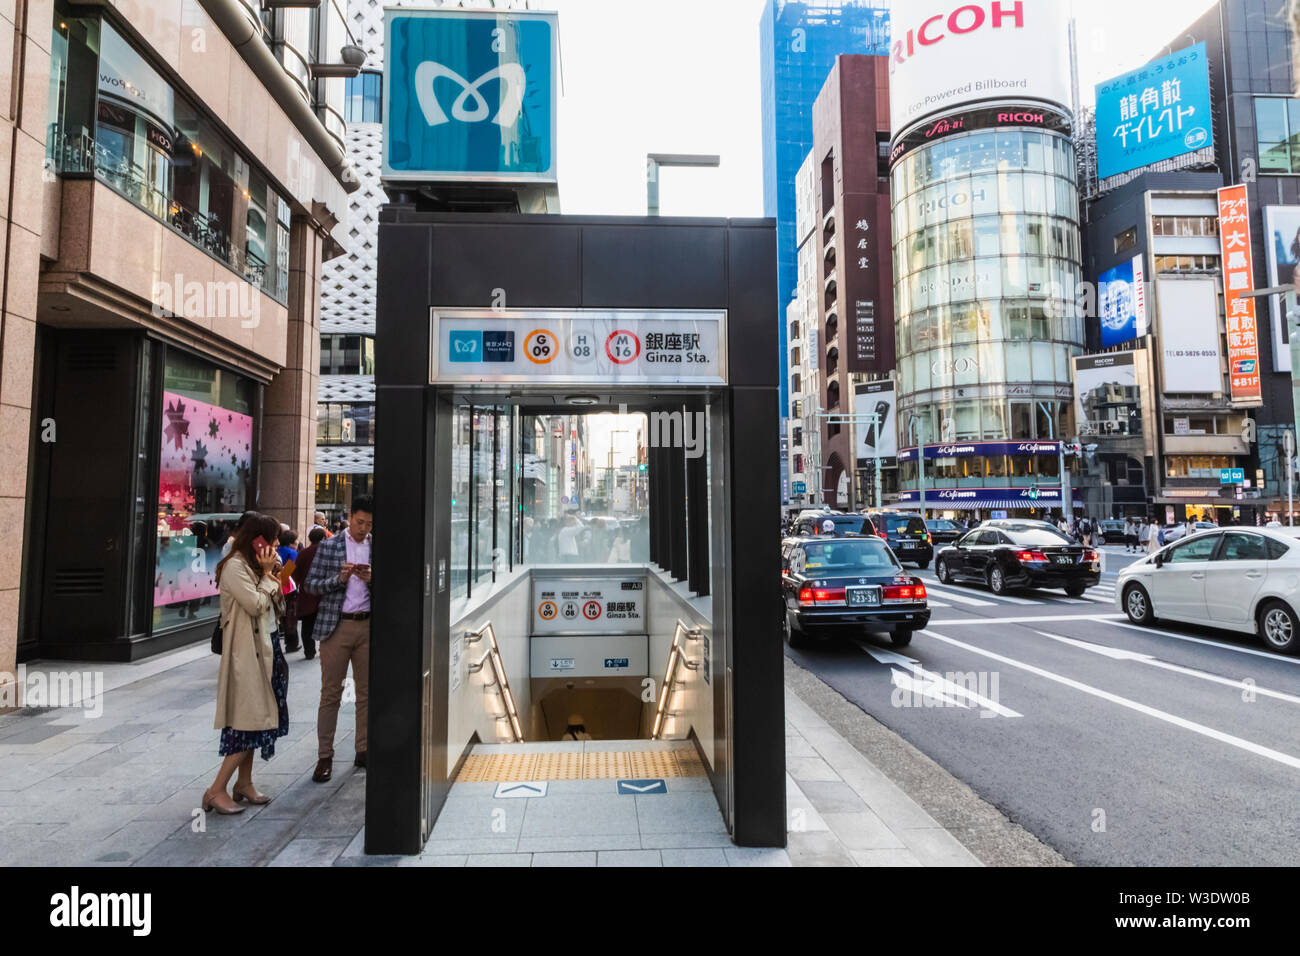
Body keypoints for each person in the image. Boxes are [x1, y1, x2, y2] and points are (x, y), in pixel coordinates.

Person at [205, 513, 288, 814]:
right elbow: (254, 605)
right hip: (246, 656)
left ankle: (244, 783)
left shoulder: (255, 566)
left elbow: (275, 606)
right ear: (257, 539)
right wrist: (268, 578)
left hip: (268, 649)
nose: (277, 543)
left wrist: (273, 576)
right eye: (272, 537)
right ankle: (216, 789)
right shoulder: (235, 567)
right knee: (246, 724)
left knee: (257, 721)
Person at [304, 495, 374, 784]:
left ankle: (364, 749)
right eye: (360, 522)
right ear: (349, 516)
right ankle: (325, 756)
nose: (364, 529)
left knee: (367, 693)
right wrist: (338, 579)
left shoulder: (374, 546)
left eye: (369, 524)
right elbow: (310, 585)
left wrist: (372, 578)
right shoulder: (331, 546)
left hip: (367, 626)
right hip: (336, 627)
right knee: (330, 693)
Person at [291, 526, 327, 659]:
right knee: (325, 623)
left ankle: (309, 651)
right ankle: (323, 649)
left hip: (307, 593)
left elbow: (294, 572)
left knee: (307, 624)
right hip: (324, 592)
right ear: (324, 538)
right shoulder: (326, 551)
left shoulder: (303, 552)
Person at [277, 530, 301, 653]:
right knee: (290, 616)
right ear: (291, 543)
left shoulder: (277, 550)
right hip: (288, 588)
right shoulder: (292, 553)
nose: (298, 543)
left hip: (275, 586)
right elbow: (289, 571)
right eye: (296, 541)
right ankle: (291, 644)